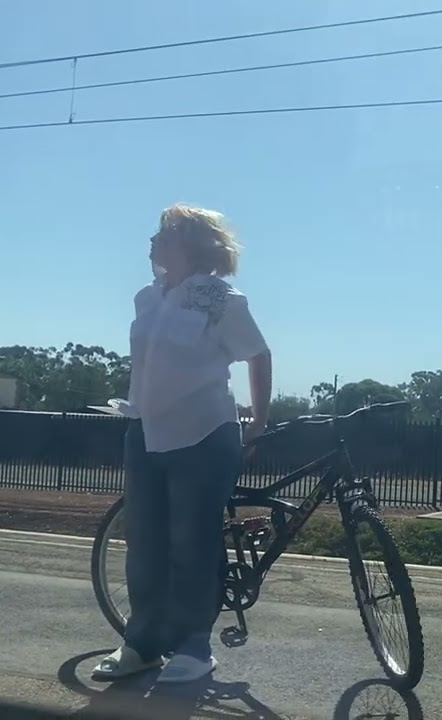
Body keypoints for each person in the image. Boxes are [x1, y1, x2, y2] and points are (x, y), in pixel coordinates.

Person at [92, 203, 273, 685]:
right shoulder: (146, 298)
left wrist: (258, 420)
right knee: (144, 543)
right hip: (146, 431)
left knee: (192, 544)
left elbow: (258, 355)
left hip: (203, 434)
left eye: (165, 233)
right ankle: (142, 644)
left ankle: (195, 647)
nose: (153, 241)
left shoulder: (222, 299)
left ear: (192, 245)